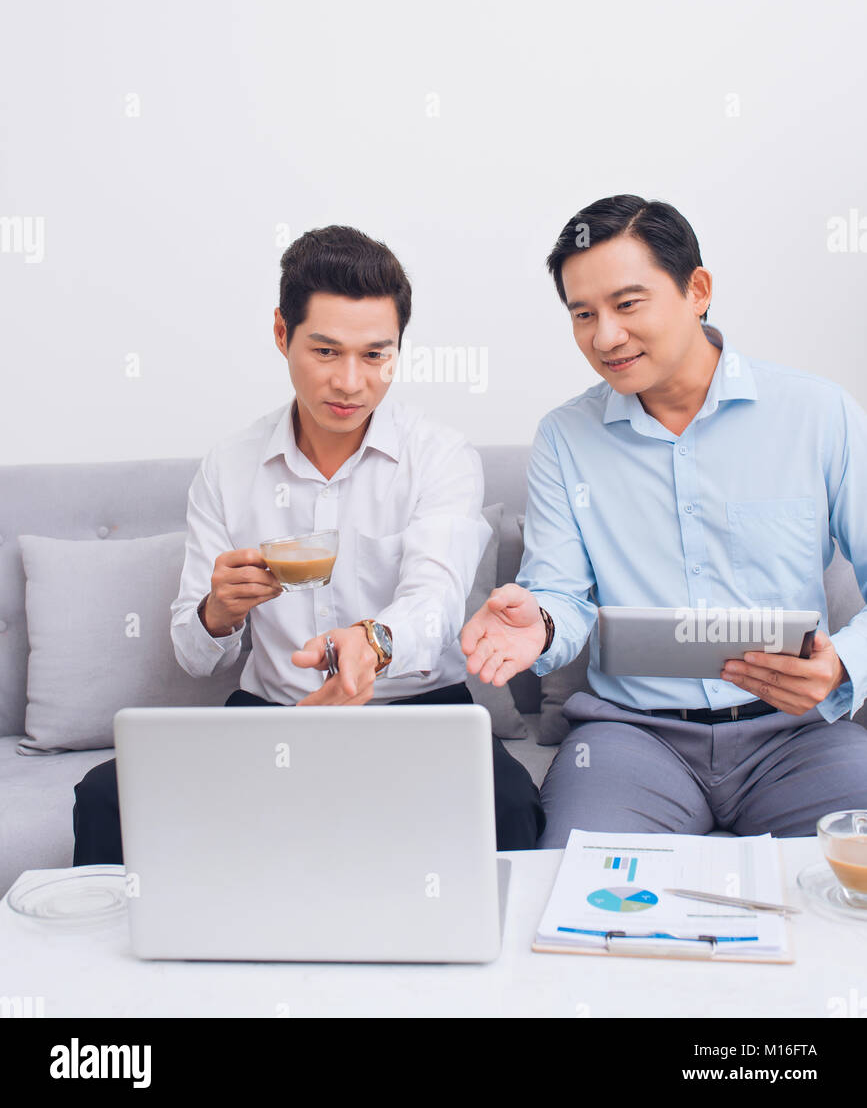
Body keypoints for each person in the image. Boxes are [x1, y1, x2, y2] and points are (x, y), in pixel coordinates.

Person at [73, 225, 544, 860]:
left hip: (416, 709)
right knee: (106, 798)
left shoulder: (439, 456)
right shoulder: (229, 466)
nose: (351, 382)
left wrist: (372, 644)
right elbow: (195, 656)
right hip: (273, 714)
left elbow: (433, 605)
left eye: (376, 355)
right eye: (326, 352)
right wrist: (219, 611)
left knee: (511, 808)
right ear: (280, 334)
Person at [462, 194, 867, 843]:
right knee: (571, 881)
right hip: (631, 740)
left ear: (696, 289)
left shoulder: (818, 415)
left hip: (795, 736)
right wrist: (535, 626)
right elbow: (559, 596)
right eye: (582, 315)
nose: (604, 337)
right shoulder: (566, 437)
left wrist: (842, 665)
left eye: (626, 305)